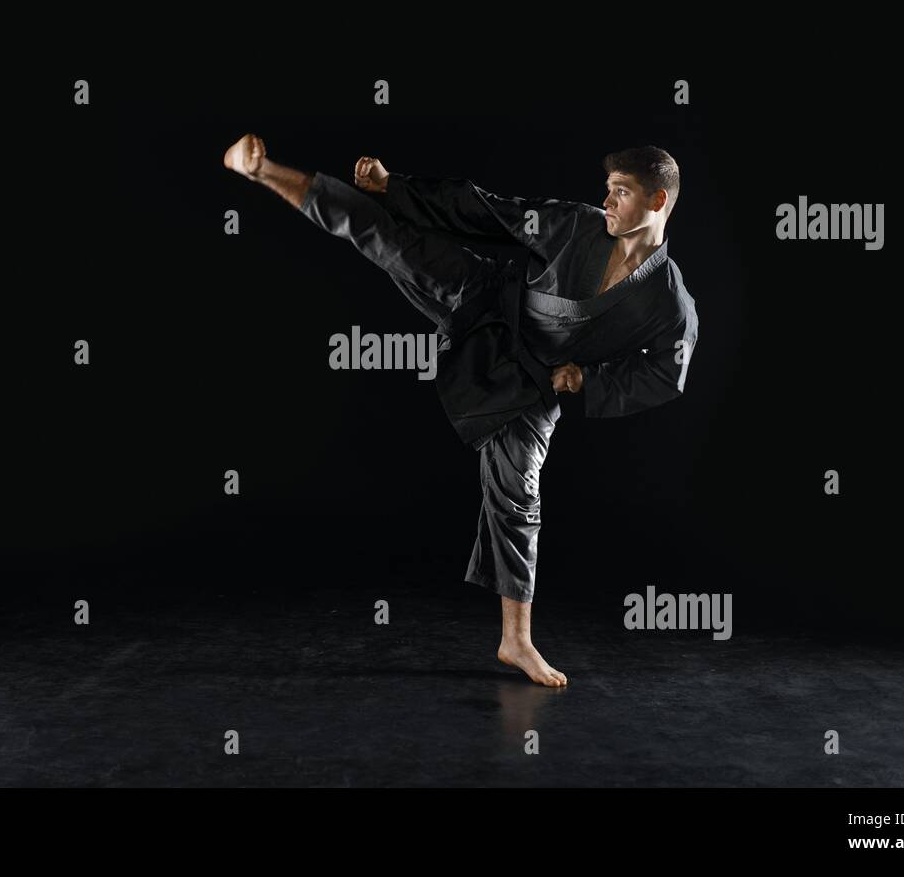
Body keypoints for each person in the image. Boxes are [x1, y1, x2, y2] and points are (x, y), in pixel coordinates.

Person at [223, 134, 699, 687]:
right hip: (488, 302)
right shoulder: (576, 224)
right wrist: (392, 186)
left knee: (517, 495)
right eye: (608, 190)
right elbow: (489, 210)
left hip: (531, 382)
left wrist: (590, 380)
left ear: (658, 201)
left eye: (621, 192)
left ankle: (515, 641)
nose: (608, 201)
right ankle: (264, 171)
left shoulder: (669, 300)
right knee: (384, 235)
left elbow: (668, 373)